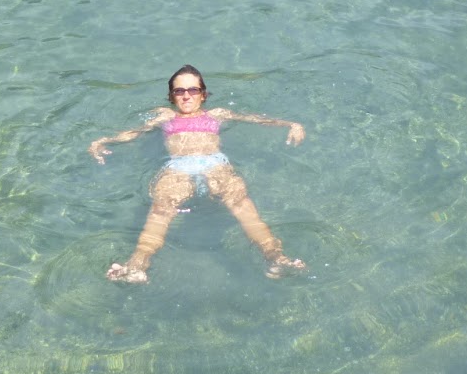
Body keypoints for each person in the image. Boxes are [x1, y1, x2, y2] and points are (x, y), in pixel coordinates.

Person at [90, 65, 307, 283]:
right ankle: (136, 266)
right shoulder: (165, 115)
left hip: (215, 165)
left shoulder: (218, 114)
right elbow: (134, 132)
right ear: (171, 96)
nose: (186, 95)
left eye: (193, 90)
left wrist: (292, 124)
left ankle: (276, 259)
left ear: (203, 94)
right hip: (178, 167)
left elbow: (256, 119)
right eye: (179, 91)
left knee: (244, 207)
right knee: (160, 212)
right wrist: (103, 141)